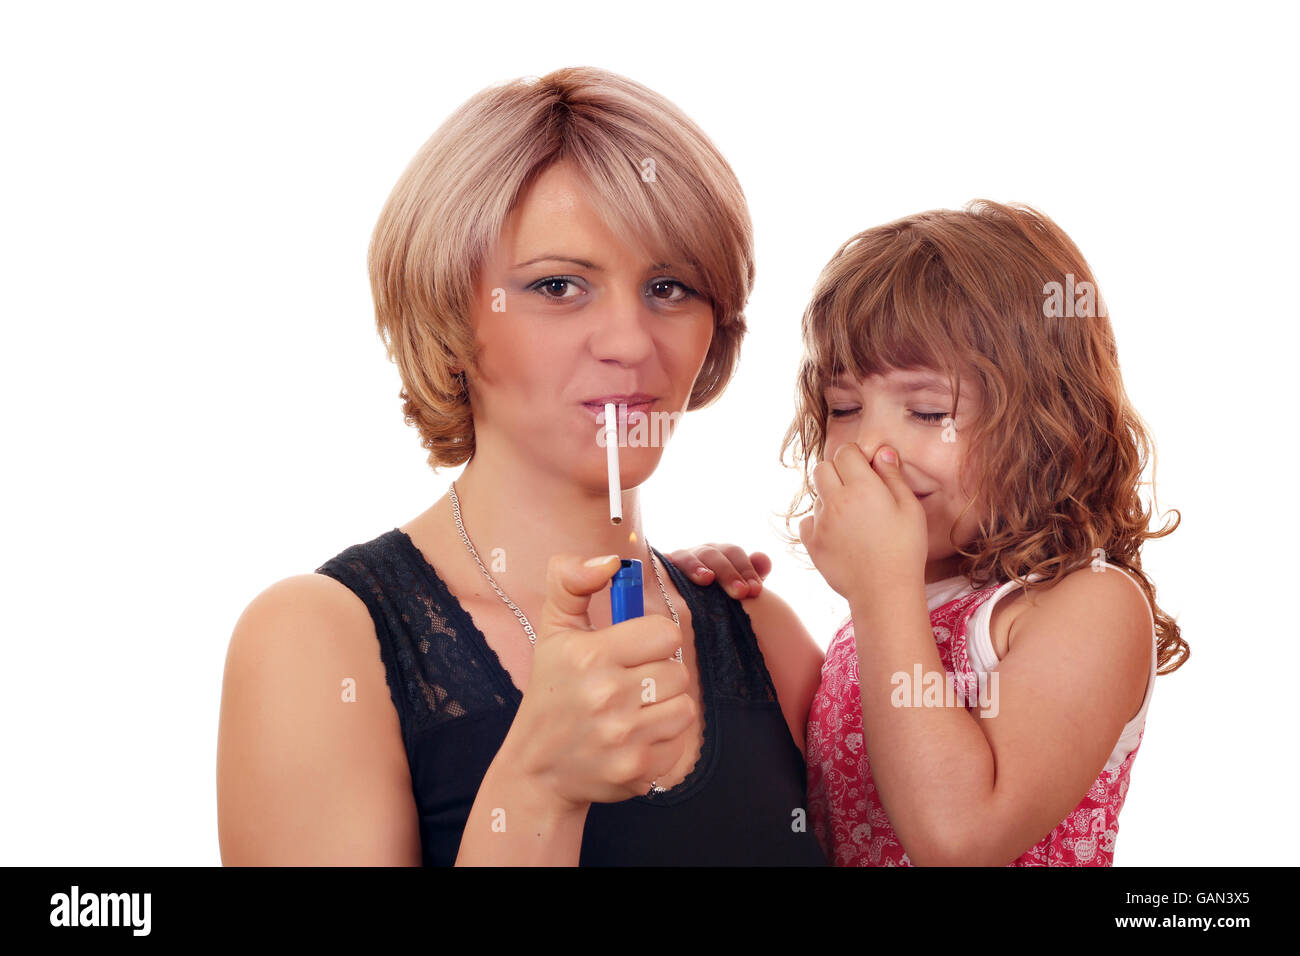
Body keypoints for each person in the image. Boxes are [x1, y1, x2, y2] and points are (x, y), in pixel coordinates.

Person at [215, 66, 828, 866]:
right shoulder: (317, 643)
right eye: (558, 285)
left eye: (669, 287)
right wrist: (538, 783)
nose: (630, 342)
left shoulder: (767, 639)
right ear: (449, 315)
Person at [668, 201, 1188, 865]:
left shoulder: (1088, 605)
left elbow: (959, 839)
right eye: (845, 408)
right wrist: (712, 603)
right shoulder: (886, 619)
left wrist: (881, 587)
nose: (872, 446)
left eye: (928, 410)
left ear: (1050, 423)